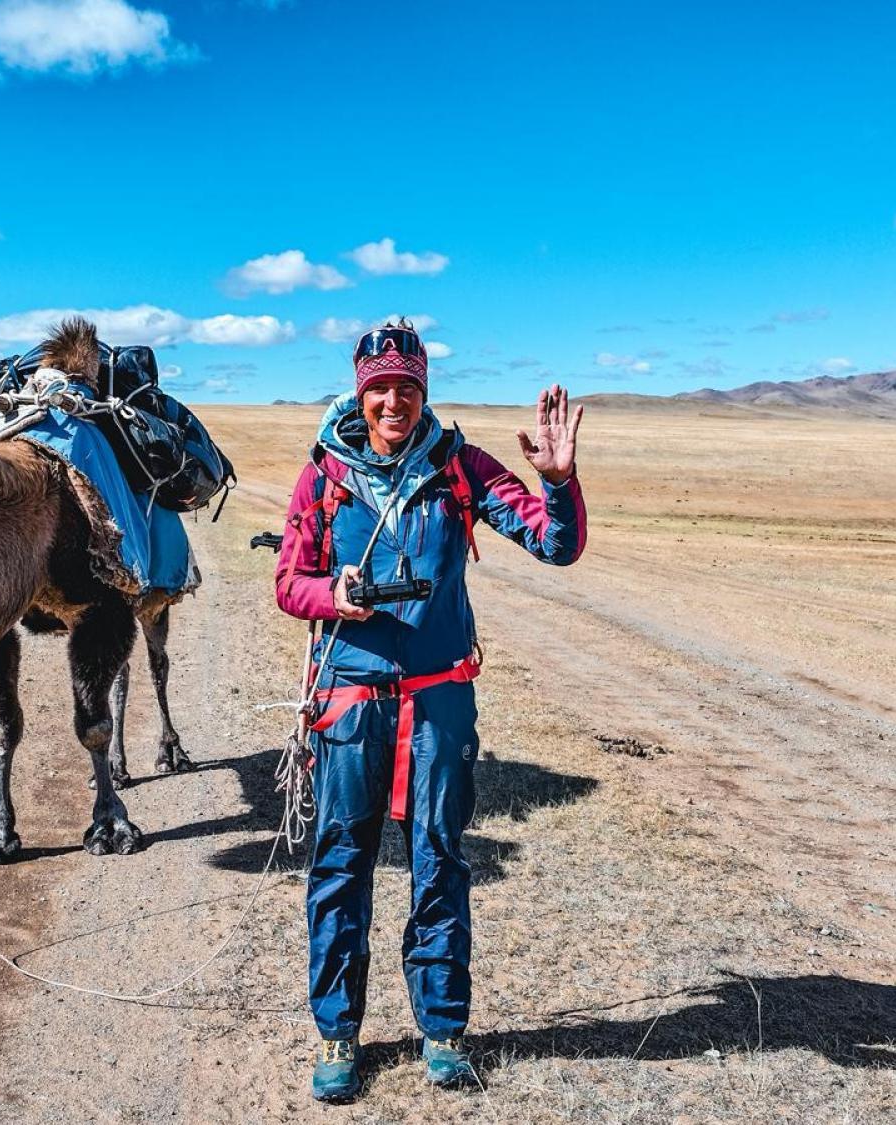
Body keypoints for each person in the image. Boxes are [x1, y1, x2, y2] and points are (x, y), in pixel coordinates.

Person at [273, 319, 586, 1102]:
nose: (392, 401)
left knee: (438, 857)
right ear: (359, 388)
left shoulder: (460, 468)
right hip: (348, 705)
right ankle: (338, 1032)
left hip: (441, 701)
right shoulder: (324, 476)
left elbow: (557, 544)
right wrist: (331, 594)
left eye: (406, 387)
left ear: (424, 392)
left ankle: (443, 1029)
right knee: (342, 863)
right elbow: (287, 582)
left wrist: (557, 481)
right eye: (379, 386)